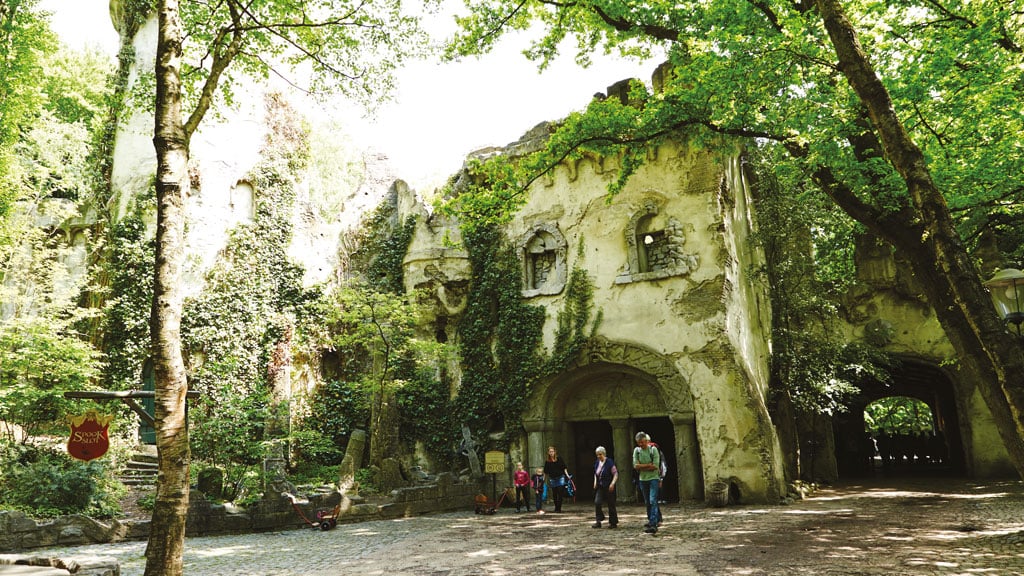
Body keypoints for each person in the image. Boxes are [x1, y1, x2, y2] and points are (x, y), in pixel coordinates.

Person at [633, 432, 661, 534]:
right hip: (642, 479)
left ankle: (653, 524)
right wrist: (648, 465)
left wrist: (642, 466)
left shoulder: (653, 450)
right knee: (647, 502)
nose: (640, 444)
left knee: (652, 500)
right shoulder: (637, 451)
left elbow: (655, 466)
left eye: (642, 442)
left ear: (646, 441)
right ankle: (651, 520)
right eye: (638, 443)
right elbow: (635, 466)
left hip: (653, 478)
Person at [592, 446, 618, 528]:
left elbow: (615, 474)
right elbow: (595, 473)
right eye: (597, 455)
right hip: (600, 486)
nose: (598, 456)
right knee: (597, 502)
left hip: (609, 485)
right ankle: (599, 520)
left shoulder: (609, 462)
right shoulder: (597, 462)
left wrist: (612, 484)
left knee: (611, 504)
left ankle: (613, 522)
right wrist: (595, 482)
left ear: (604, 454)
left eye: (600, 454)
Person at [543, 445, 570, 512]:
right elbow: (545, 472)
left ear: (555, 452)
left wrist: (567, 475)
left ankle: (559, 508)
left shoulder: (559, 459)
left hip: (560, 477)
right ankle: (556, 507)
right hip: (553, 479)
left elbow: (564, 467)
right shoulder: (547, 461)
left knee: (560, 493)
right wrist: (543, 479)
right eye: (550, 452)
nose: (551, 453)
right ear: (548, 453)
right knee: (554, 494)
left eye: (552, 451)